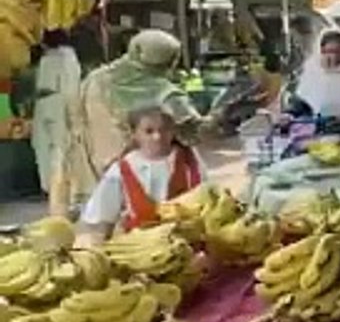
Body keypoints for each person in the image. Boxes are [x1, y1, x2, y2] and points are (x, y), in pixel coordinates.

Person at [70, 30, 213, 190]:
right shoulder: (166, 94)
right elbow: (195, 132)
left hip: (94, 174)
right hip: (143, 178)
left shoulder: (94, 79)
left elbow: (75, 118)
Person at [77, 106, 206, 244]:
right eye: (149, 131)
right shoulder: (122, 169)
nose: (157, 137)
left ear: (173, 131)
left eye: (164, 130)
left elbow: (207, 199)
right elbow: (103, 217)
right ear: (135, 134)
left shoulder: (190, 161)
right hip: (144, 248)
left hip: (189, 243)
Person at [32, 30, 82, 218]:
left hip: (60, 103)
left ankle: (64, 194)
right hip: (44, 102)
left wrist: (71, 112)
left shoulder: (67, 57)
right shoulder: (46, 58)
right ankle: (50, 189)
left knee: (61, 148)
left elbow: (71, 88)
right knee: (41, 145)